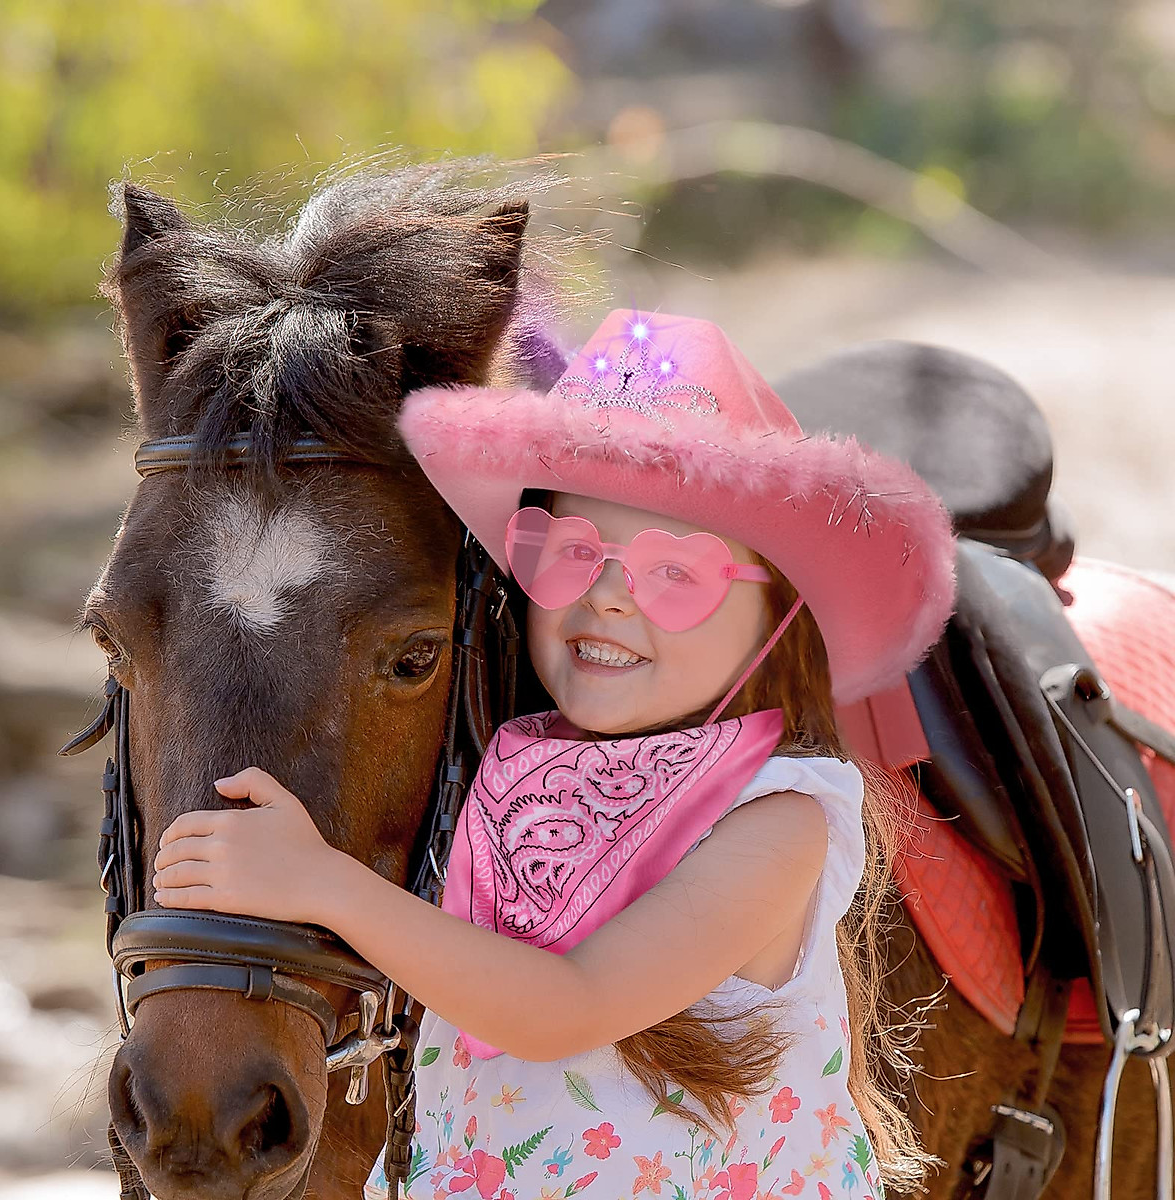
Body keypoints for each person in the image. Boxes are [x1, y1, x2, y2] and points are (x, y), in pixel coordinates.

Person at [151, 309, 957, 1199]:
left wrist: (324, 885)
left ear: (777, 619)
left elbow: (566, 1008)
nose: (608, 596)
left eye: (674, 572)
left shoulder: (778, 820)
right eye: (571, 553)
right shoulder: (508, 770)